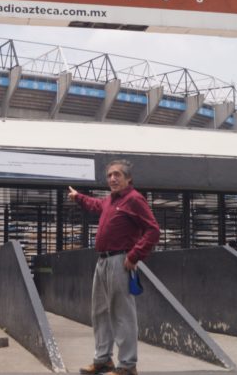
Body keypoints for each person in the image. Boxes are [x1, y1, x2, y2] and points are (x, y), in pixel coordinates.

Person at [68, 160, 160, 375]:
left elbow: (153, 230)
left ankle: (127, 366)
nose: (112, 179)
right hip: (102, 261)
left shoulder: (134, 199)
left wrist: (135, 255)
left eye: (117, 174)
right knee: (99, 313)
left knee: (122, 314)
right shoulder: (110, 200)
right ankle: (103, 360)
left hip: (120, 261)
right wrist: (78, 197)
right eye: (109, 175)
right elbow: (95, 205)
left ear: (129, 178)